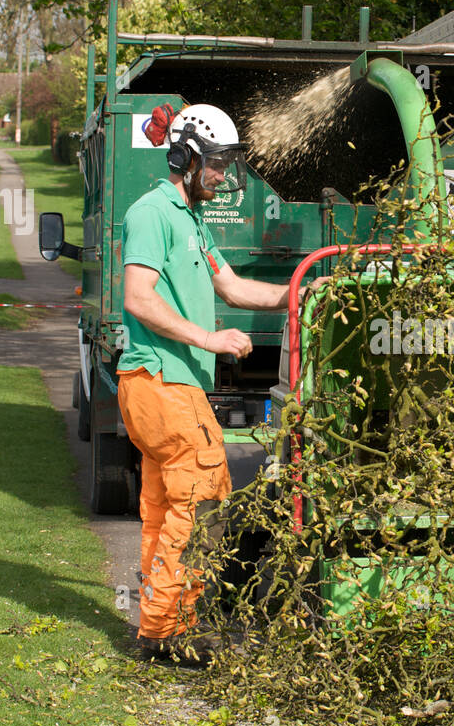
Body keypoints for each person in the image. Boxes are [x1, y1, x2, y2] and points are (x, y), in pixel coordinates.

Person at [117, 102, 320, 663]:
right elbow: (137, 298)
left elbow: (230, 287)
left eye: (228, 164)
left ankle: (158, 629)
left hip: (171, 385)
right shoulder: (151, 214)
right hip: (159, 381)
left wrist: (303, 293)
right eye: (216, 164)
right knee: (205, 495)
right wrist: (208, 340)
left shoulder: (193, 219)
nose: (224, 176)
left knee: (165, 505)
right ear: (184, 157)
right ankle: (176, 629)